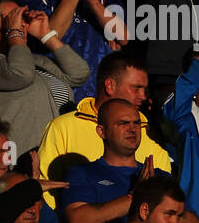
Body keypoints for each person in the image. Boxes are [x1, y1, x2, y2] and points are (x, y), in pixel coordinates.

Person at [0, 0, 90, 154]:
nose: (22, 24)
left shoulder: (35, 60)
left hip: (58, 155)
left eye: (23, 18)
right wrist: (15, 34)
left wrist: (46, 35)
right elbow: (21, 74)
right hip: (21, 160)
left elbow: (79, 74)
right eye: (14, 18)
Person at [38, 50, 171, 190]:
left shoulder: (151, 136)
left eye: (145, 90)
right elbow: (46, 189)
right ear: (110, 86)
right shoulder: (63, 128)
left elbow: (163, 197)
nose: (143, 96)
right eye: (136, 88)